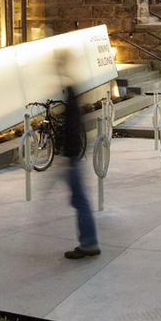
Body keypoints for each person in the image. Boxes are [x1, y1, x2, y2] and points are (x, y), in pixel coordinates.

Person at [60, 82, 100, 259]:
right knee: (79, 200)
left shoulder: (71, 101)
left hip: (73, 158)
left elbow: (71, 130)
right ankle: (89, 242)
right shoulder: (73, 99)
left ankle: (89, 243)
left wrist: (69, 158)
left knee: (80, 200)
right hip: (73, 157)